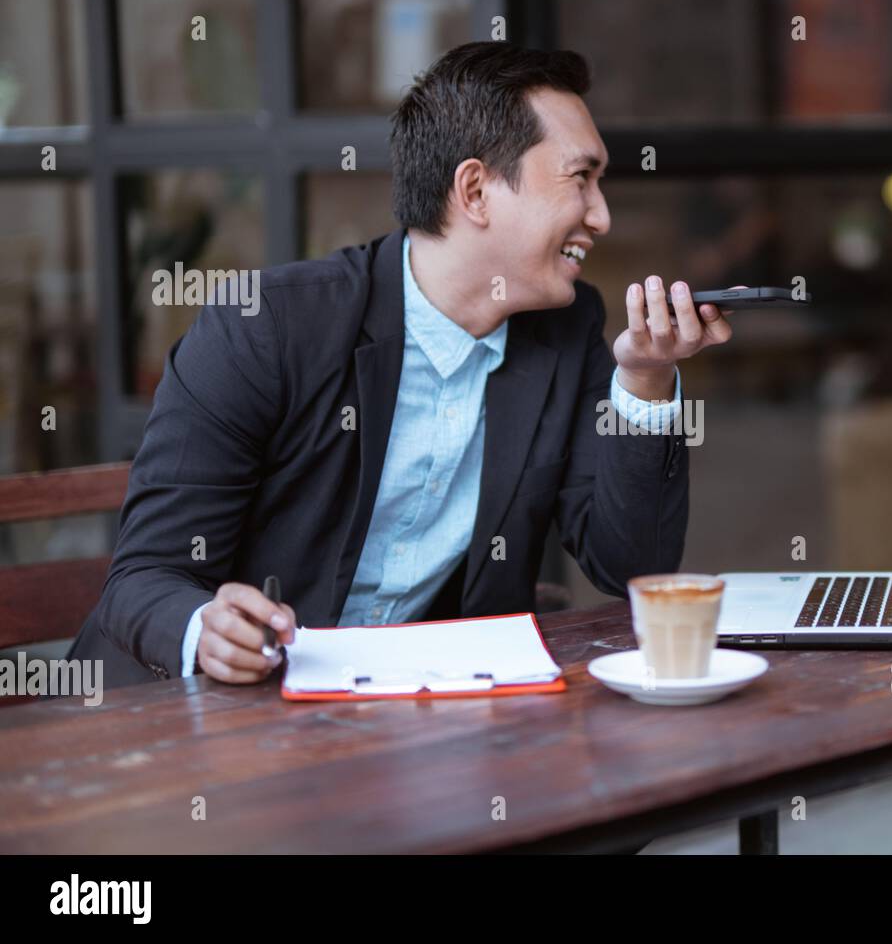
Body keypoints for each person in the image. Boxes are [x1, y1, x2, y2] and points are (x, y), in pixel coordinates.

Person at [68, 41, 734, 688]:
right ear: (475, 191)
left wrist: (644, 382)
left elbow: (632, 567)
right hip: (175, 725)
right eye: (580, 178)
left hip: (400, 730)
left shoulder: (567, 331)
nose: (602, 215)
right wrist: (204, 629)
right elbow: (143, 580)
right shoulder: (265, 328)